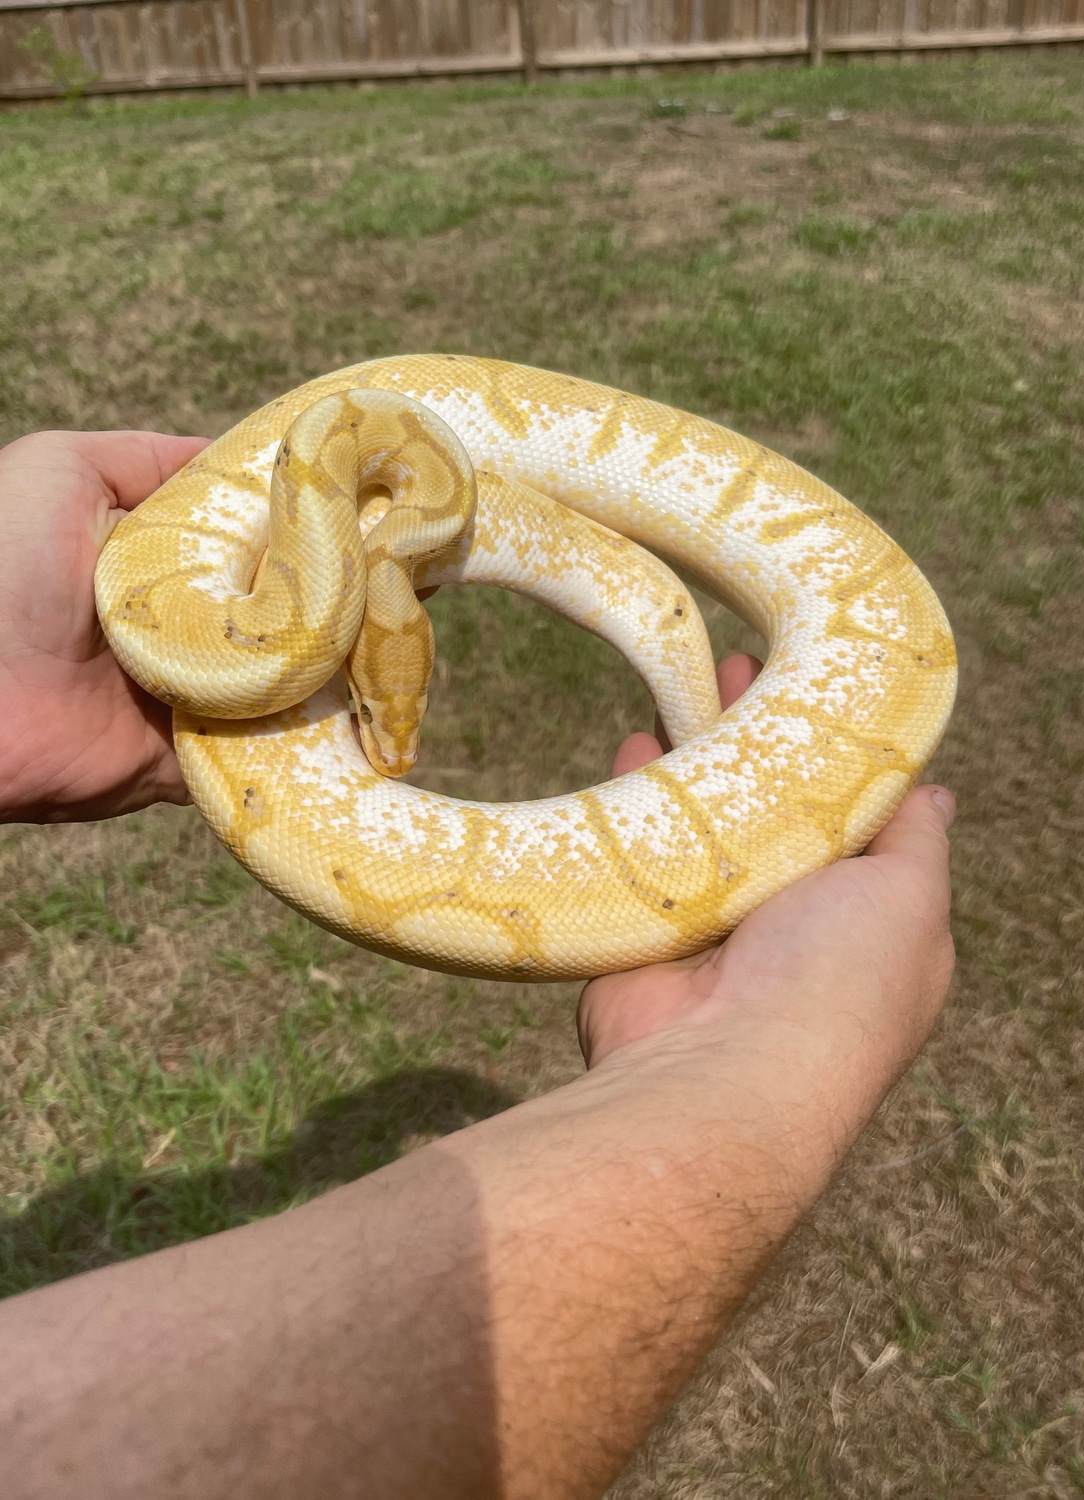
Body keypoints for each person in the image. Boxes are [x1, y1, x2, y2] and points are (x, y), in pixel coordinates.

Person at [0, 430, 956, 1500]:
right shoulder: (308, 594)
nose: (391, 742)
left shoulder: (339, 550)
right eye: (373, 710)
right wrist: (753, 1072)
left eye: (386, 708)